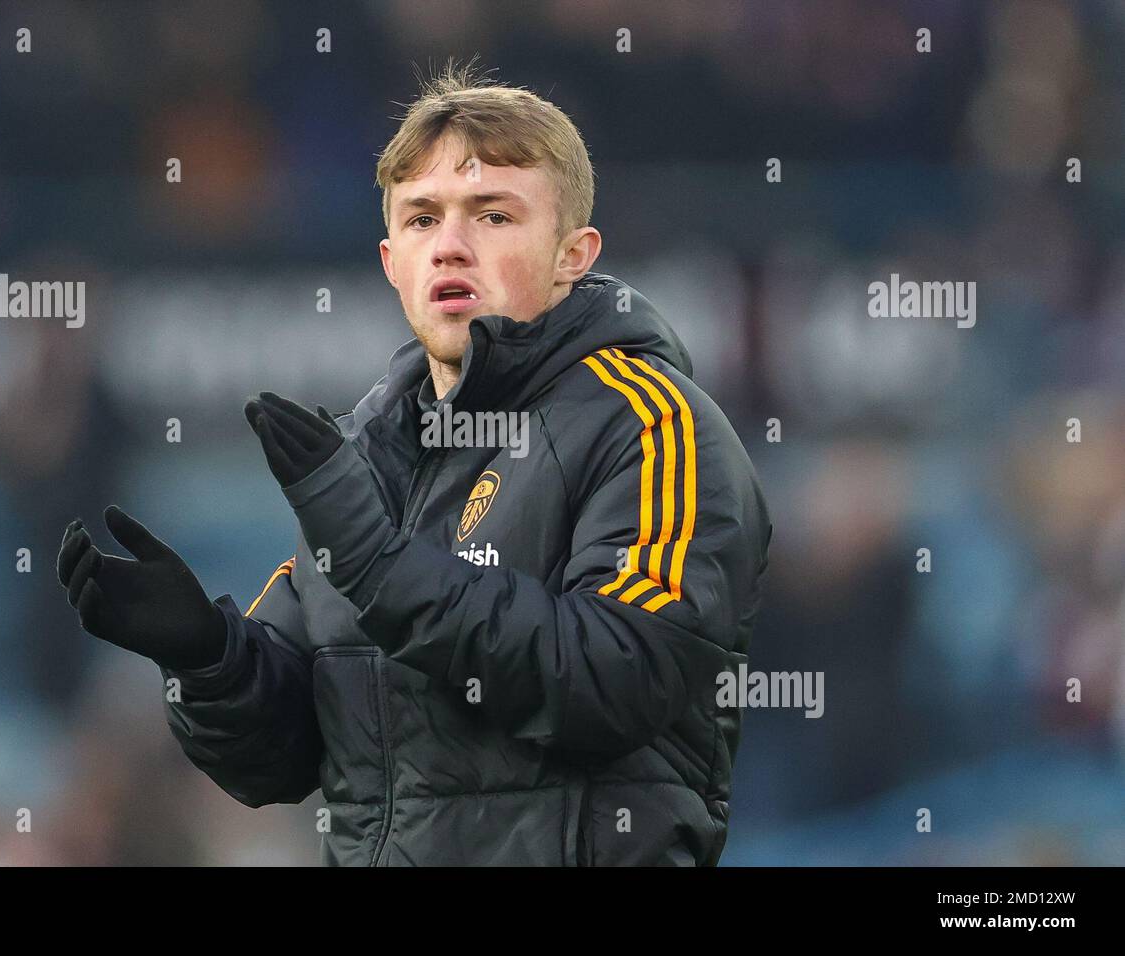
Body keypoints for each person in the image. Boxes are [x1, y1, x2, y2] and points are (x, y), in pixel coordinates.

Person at [56, 62, 772, 866]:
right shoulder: (369, 452)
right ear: (393, 260)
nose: (452, 246)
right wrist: (206, 656)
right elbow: (281, 764)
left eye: (494, 216)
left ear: (574, 254)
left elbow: (614, 679)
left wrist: (377, 561)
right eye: (423, 219)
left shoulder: (652, 423)